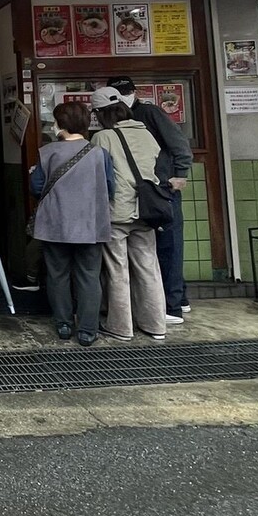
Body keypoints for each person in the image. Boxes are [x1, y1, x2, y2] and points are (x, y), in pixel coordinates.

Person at [109, 76, 193, 324]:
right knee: (159, 246)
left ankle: (172, 306)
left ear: (134, 92)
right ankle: (180, 298)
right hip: (143, 191)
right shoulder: (118, 117)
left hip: (161, 190)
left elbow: (179, 144)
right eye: (118, 91)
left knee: (169, 244)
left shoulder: (149, 112)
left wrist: (180, 174)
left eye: (125, 91)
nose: (123, 95)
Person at [29, 102, 114, 346]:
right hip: (90, 224)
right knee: (89, 276)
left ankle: (64, 324)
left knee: (57, 275)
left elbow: (36, 187)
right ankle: (88, 329)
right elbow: (110, 187)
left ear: (61, 125)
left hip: (56, 224)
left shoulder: (48, 152)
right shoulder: (99, 153)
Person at [89, 87, 167, 342]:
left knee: (116, 270)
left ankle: (121, 327)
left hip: (117, 212)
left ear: (101, 113)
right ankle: (155, 325)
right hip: (147, 210)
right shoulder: (147, 135)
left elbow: (98, 175)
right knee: (148, 267)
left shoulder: (103, 138)